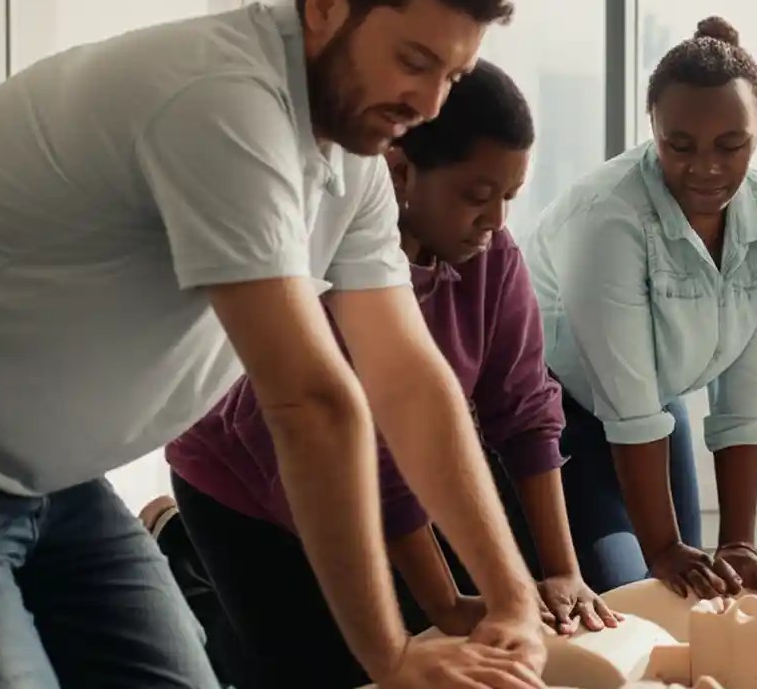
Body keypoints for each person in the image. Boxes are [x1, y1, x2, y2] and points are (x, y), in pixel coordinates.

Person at [0, 0, 549, 687]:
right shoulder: (219, 100)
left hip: (59, 482)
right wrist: (391, 657)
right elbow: (310, 403)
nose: (429, 104)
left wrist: (513, 597)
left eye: (453, 76)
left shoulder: (357, 158)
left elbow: (409, 379)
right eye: (414, 61)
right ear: (326, 3)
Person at [162, 58, 618, 688]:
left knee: (431, 642)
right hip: (249, 481)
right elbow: (370, 460)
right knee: (325, 669)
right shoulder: (333, 267)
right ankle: (184, 559)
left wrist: (561, 568)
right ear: (402, 173)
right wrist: (447, 605)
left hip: (390, 474)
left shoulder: (492, 254)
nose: (496, 222)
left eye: (509, 198)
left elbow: (524, 409)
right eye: (477, 197)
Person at [522, 16, 757, 599]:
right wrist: (663, 548)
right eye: (680, 145)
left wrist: (739, 545)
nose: (706, 167)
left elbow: (743, 398)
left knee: (706, 597)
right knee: (631, 598)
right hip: (557, 418)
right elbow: (625, 404)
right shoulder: (609, 216)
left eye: (732, 145)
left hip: (656, 412)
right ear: (652, 126)